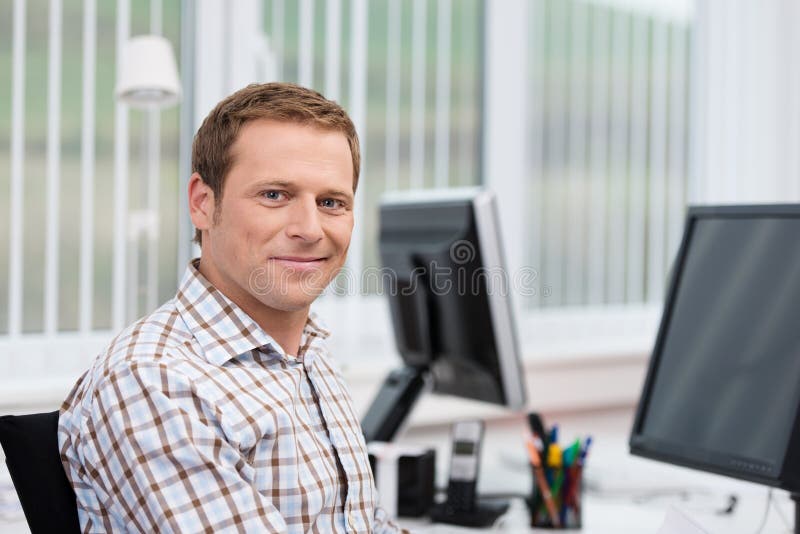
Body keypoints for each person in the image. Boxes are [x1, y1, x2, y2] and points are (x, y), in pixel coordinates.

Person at [59, 82, 405, 533]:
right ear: (203, 203)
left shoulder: (308, 351)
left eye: (330, 202)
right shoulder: (154, 379)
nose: (309, 228)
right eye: (275, 195)